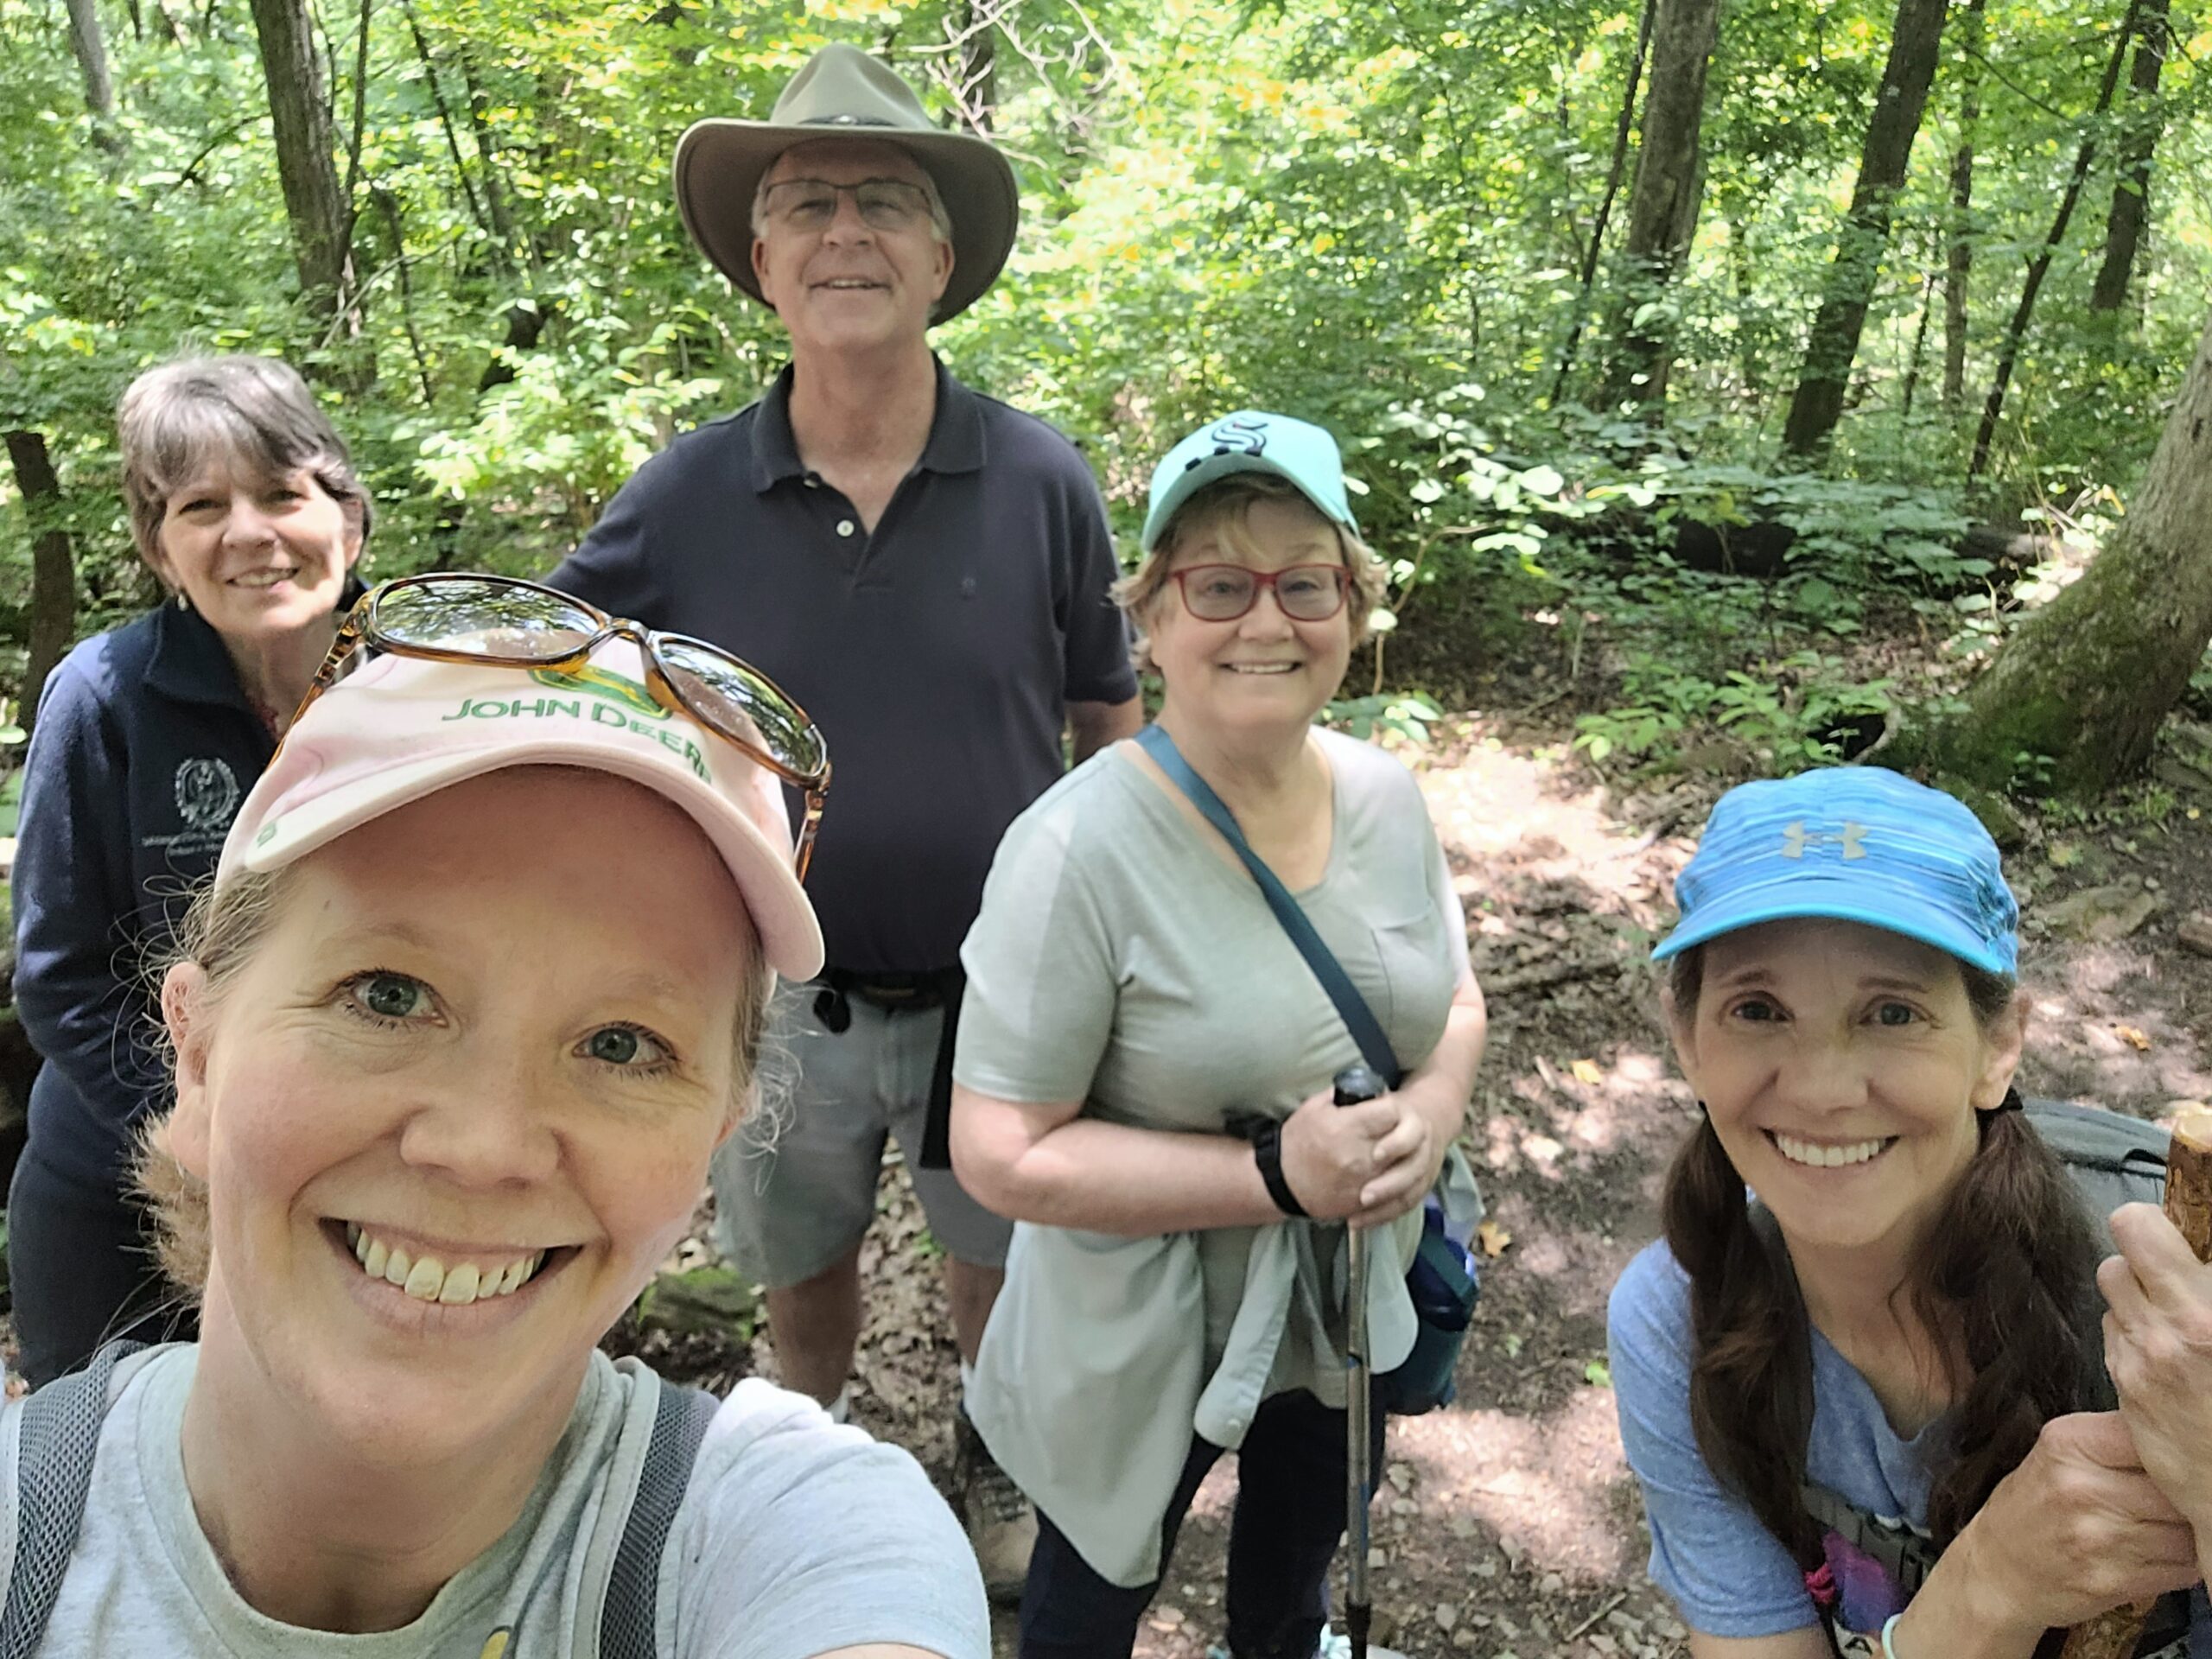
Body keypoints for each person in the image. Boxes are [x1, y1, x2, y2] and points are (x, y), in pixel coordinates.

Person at [0, 573, 989, 1657]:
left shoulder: (795, 1539)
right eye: (386, 994)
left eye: (622, 1045)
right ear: (194, 1057)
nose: (484, 1149)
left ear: (712, 1139)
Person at [547, 41, 1140, 1591]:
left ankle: (995, 1479)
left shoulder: (1040, 481)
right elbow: (551, 693)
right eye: (807, 201)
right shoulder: (680, 500)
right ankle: (792, 1484)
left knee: (996, 1268)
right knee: (798, 1275)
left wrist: (1117, 927)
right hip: (778, 997)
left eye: (886, 197)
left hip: (1004, 993)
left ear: (945, 253)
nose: (845, 230)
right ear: (761, 259)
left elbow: (1112, 717)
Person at [950, 411, 1489, 1659]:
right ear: (1149, 619)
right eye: (1218, 584)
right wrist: (1268, 1177)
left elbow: (1454, 1000)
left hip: (1341, 1296)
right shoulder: (1073, 852)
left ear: (1352, 608)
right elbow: (997, 1153)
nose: (1265, 620)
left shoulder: (1386, 795)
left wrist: (1435, 1111)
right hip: (1140, 1328)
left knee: (1291, 1591)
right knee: (1088, 1607)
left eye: (1305, 582)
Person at [1606, 766, 2212, 1657]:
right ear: (1686, 1039)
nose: (1819, 1089)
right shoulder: (1679, 1323)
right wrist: (1991, 1580)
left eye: (1891, 1012)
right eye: (1758, 1009)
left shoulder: (2179, 1303)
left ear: (1998, 1046)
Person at [10, 354, 370, 1388]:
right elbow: (60, 976)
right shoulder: (104, 695)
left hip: (348, 1184)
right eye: (201, 505)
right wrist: (195, 1135)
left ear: (345, 518)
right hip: (121, 1190)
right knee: (94, 1485)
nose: (248, 534)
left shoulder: (416, 686)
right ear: (159, 548)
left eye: (281, 494)